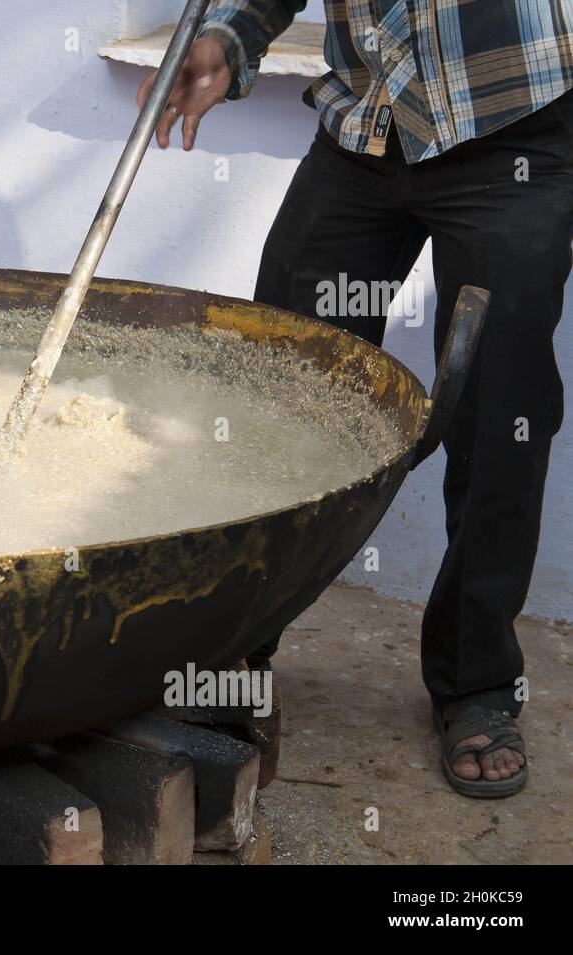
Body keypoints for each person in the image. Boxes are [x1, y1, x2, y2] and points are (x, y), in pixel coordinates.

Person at [139, 0, 573, 797]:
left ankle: (475, 682)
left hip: (510, 125)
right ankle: (236, 652)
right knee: (278, 392)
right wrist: (233, 39)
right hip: (363, 135)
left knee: (498, 413)